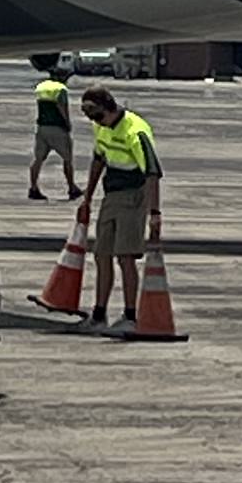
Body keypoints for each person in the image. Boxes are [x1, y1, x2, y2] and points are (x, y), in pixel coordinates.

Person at [74, 85, 161, 334]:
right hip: (111, 195)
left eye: (97, 115)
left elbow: (153, 174)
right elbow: (99, 160)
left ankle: (130, 315)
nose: (94, 121)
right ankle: (99, 314)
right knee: (102, 254)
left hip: (134, 195)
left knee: (125, 257)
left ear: (110, 108)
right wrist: (87, 198)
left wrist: (155, 214)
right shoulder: (100, 126)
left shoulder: (135, 130)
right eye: (89, 116)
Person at [28, 68, 79, 201]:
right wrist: (67, 123)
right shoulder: (60, 90)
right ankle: (71, 188)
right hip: (57, 128)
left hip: (42, 127)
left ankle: (33, 188)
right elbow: (61, 106)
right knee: (67, 159)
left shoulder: (42, 88)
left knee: (38, 160)